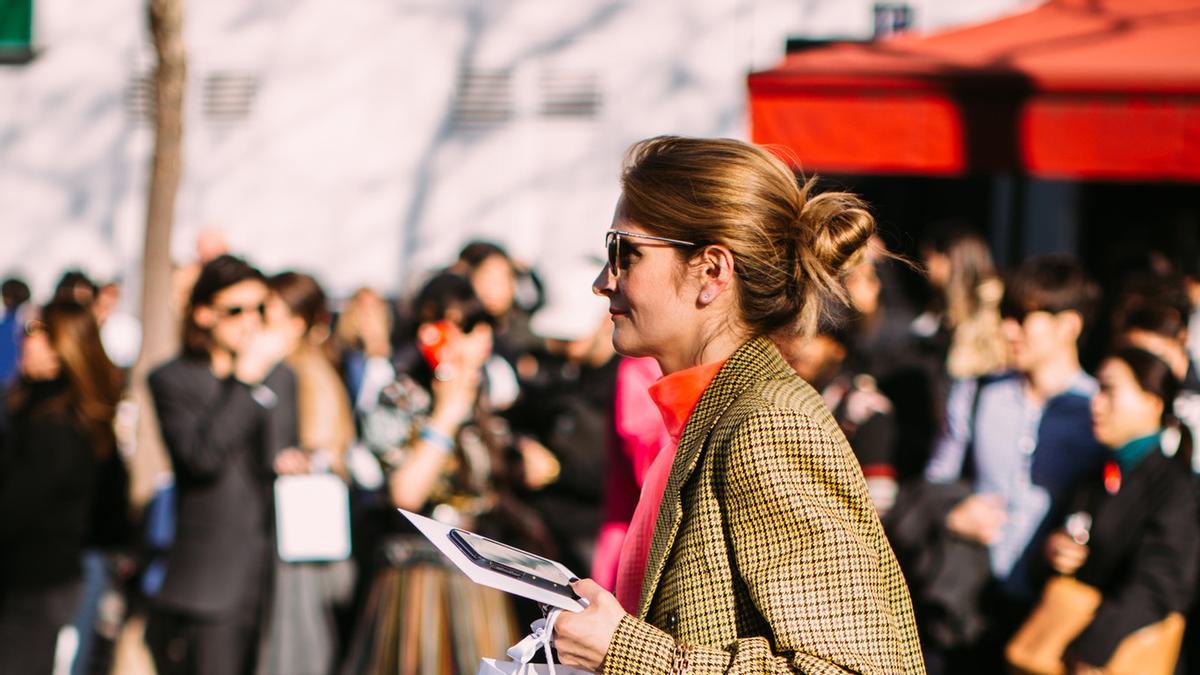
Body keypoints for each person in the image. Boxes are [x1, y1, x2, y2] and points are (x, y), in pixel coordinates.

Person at [553, 136, 923, 673]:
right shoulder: (707, 412)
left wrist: (628, 654)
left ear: (711, 272)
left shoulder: (766, 425)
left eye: (623, 252)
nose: (602, 282)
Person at [343, 271, 547, 675]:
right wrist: (446, 414)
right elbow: (406, 492)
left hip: (479, 573)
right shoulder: (401, 394)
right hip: (417, 578)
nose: (471, 341)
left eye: (477, 327)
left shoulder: (486, 393)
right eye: (455, 328)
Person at [921, 254, 1106, 673]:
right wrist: (952, 513)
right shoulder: (977, 392)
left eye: (1024, 317)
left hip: (1048, 613)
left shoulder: (1098, 411)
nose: (1009, 330)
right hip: (966, 601)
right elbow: (934, 482)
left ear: (1069, 326)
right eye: (1008, 315)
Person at [145, 255, 297, 675]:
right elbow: (201, 459)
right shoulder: (173, 379)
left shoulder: (279, 375)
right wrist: (245, 382)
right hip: (208, 580)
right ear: (204, 314)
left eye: (259, 309)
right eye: (236, 311)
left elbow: (277, 452)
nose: (251, 322)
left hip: (271, 571)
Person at [1042, 347, 1198, 673]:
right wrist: (1055, 552)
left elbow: (1161, 585)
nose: (1096, 403)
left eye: (1109, 390)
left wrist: (1091, 649)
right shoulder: (1097, 475)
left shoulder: (1175, 488)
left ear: (1152, 402)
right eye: (1097, 389)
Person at [0, 301, 121, 675]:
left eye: (39, 332)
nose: (27, 341)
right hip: (44, 576)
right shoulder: (41, 406)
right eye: (26, 331)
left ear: (64, 345)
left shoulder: (56, 423)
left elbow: (16, 506)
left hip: (33, 580)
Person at [260, 271, 357, 675]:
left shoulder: (301, 368)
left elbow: (323, 446)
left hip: (302, 525)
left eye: (270, 314)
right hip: (309, 524)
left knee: (296, 639)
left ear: (297, 322)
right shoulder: (313, 363)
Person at [777, 309, 899, 517]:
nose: (798, 346)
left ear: (838, 348)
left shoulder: (865, 407)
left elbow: (878, 500)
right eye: (794, 335)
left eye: (813, 336)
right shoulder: (786, 399)